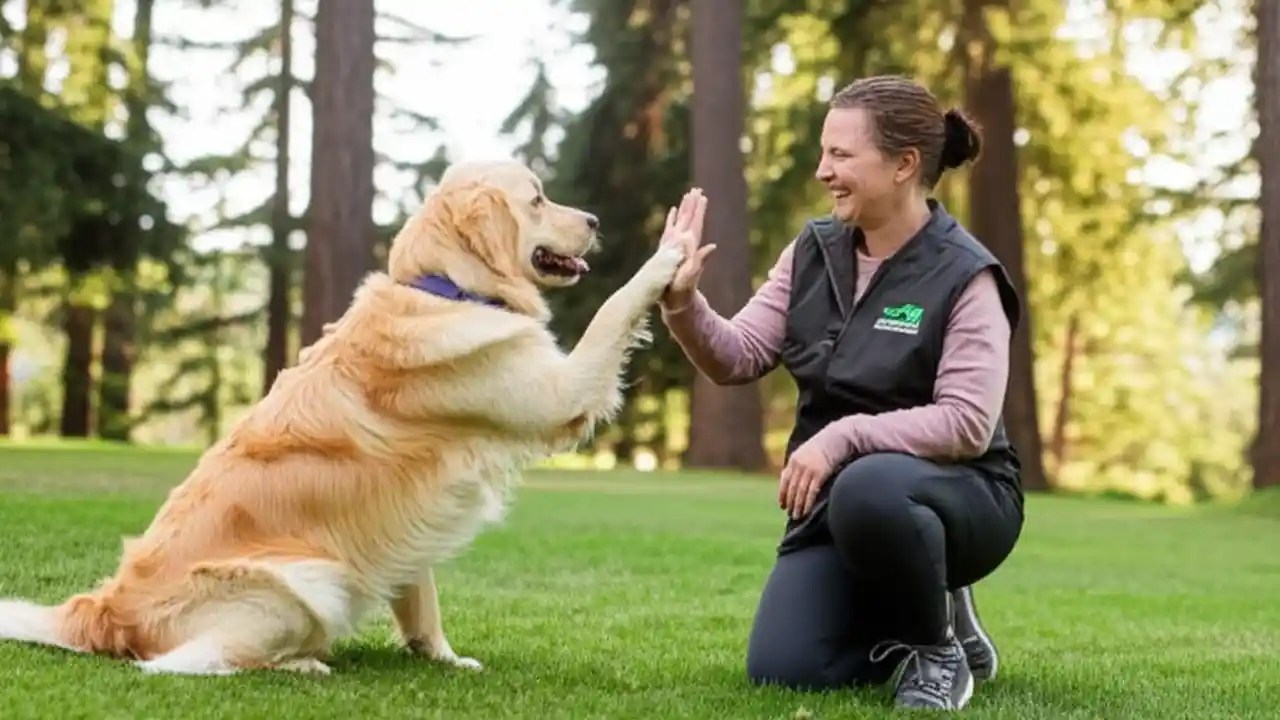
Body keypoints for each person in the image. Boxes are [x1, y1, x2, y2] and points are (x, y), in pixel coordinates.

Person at [656, 75, 1025, 712]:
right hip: (837, 504)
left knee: (868, 484)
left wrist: (844, 437)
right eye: (824, 152)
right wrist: (683, 302)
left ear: (904, 165)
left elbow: (966, 423)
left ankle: (938, 650)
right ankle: (927, 601)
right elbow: (738, 355)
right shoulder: (812, 251)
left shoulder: (968, 275)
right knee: (787, 668)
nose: (823, 170)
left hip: (961, 498)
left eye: (841, 155)